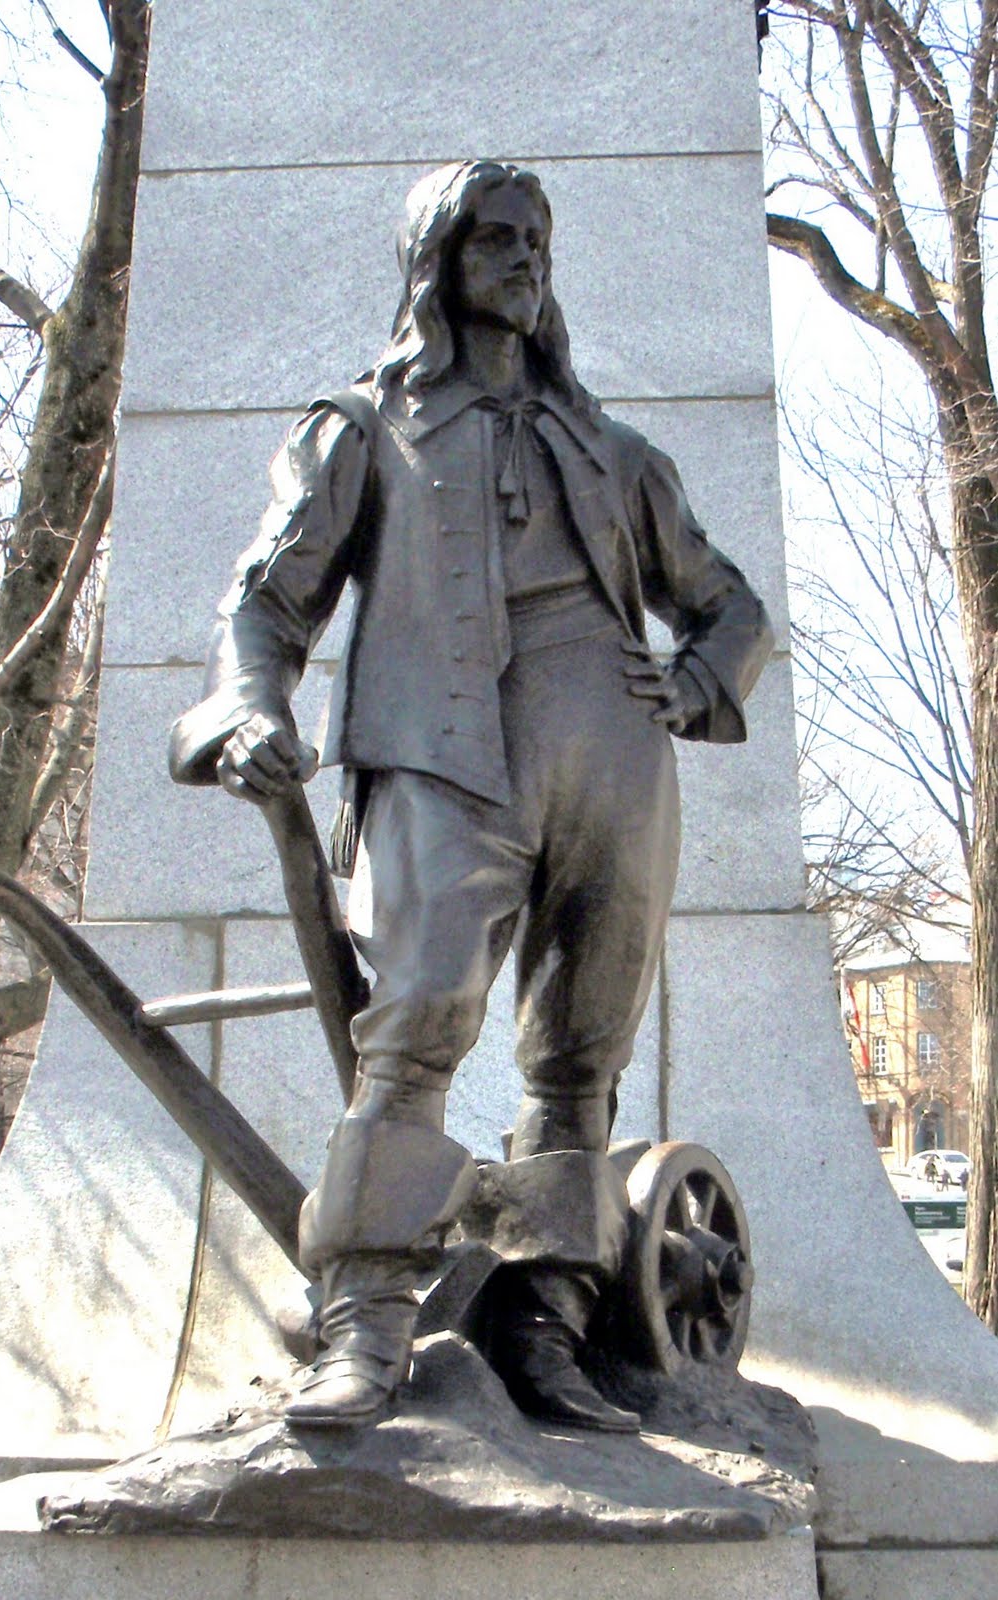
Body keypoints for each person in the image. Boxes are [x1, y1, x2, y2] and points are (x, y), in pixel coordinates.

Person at [170, 160, 772, 1431]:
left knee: (577, 1056)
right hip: (442, 753)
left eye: (535, 239)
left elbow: (730, 606)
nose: (520, 257)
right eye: (492, 237)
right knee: (419, 1017)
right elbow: (263, 606)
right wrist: (246, 709)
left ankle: (547, 1330)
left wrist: (692, 679)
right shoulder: (360, 430)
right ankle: (367, 1327)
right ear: (434, 261)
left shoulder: (615, 455)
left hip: (612, 760)